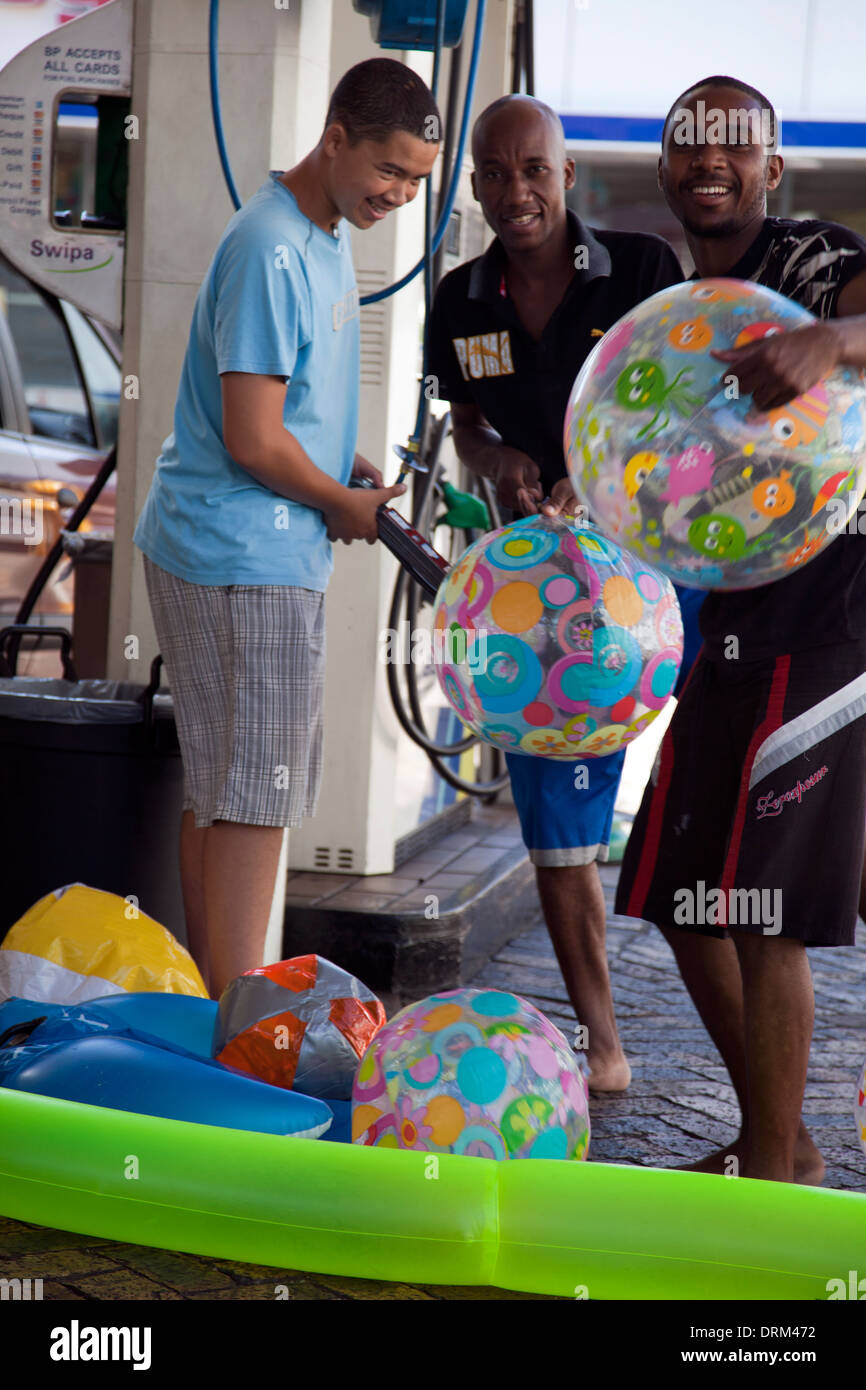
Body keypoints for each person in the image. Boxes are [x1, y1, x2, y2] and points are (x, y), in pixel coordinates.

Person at [134, 59, 439, 998]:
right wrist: (335, 502)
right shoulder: (272, 246)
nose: (399, 195)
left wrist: (339, 462)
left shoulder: (324, 232)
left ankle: (217, 1006)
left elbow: (282, 409)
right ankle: (243, 1027)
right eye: (388, 170)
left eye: (416, 181)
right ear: (334, 139)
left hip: (232, 544)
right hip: (242, 556)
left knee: (222, 790)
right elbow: (253, 440)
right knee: (257, 796)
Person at [615, 75, 866, 1182]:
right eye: (689, 142)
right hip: (730, 616)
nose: (709, 159)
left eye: (734, 143)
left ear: (772, 167)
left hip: (833, 608)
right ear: (667, 167)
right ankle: (786, 1142)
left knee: (767, 909)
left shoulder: (816, 258)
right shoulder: (680, 302)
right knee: (680, 894)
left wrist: (832, 342)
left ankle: (767, 1178)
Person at [427, 95, 685, 1091]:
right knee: (558, 823)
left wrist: (601, 470)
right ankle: (602, 1043)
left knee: (722, 790)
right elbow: (467, 425)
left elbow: (685, 406)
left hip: (665, 585)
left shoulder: (641, 272)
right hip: (536, 614)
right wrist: (497, 460)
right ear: (476, 185)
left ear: (565, 174)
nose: (515, 191)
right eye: (494, 173)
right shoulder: (460, 301)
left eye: (532, 169)